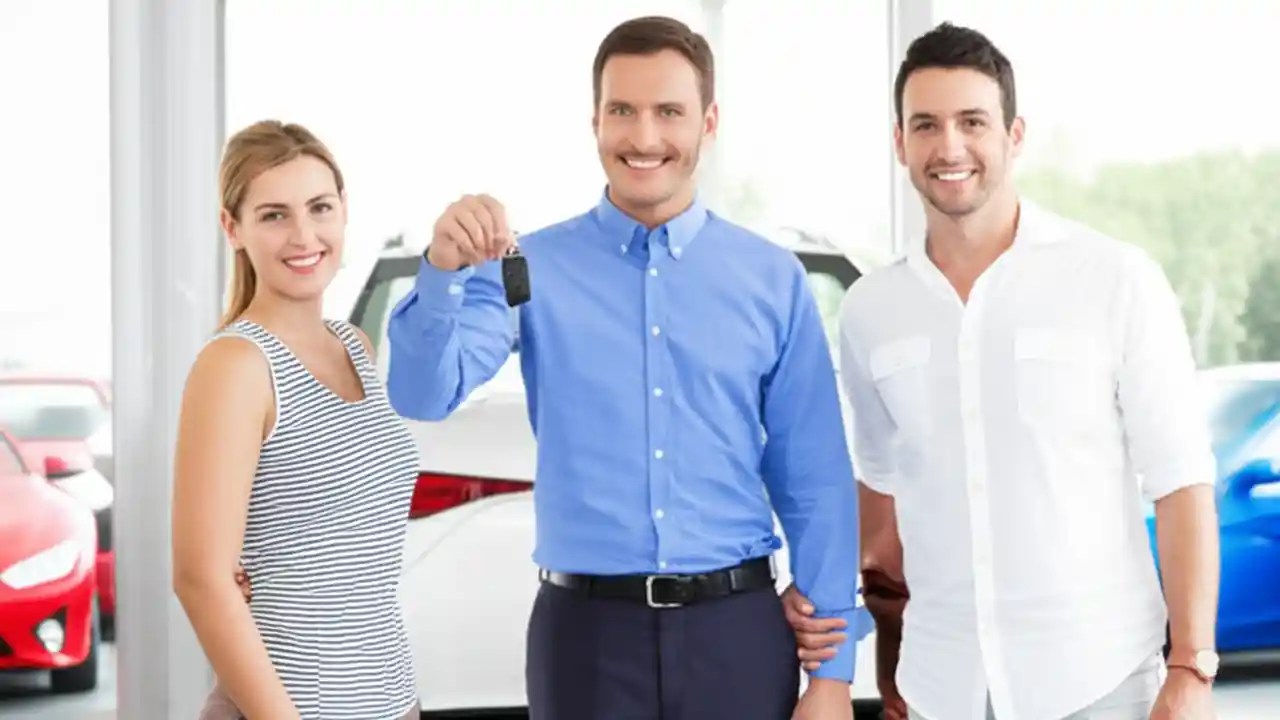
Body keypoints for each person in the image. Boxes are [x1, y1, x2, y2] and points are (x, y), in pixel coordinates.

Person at [385, 14, 862, 720]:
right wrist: (441, 274)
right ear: (596, 121)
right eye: (623, 111)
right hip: (585, 639)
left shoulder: (772, 279)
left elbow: (815, 479)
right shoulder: (526, 269)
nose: (644, 137)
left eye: (669, 111)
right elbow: (422, 394)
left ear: (709, 121)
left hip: (737, 633)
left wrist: (832, 680)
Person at [785, 21, 1222, 720]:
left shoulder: (1113, 278)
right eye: (925, 124)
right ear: (899, 143)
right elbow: (882, 505)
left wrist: (1192, 670)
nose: (949, 146)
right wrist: (842, 620)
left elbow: (1181, 483)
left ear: (1014, 135)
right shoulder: (871, 310)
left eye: (972, 121)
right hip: (940, 688)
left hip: (1100, 682)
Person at [172, 120, 421, 720]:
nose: (304, 234)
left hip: (390, 697)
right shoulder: (236, 365)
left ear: (343, 213)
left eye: (319, 207)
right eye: (274, 215)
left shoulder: (357, 345)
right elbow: (201, 580)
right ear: (233, 229)